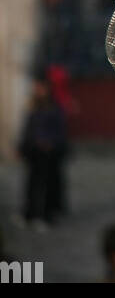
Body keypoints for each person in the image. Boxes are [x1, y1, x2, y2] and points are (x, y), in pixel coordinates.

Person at [16, 75, 69, 229]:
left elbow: (60, 131)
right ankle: (29, 214)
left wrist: (51, 143)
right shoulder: (33, 107)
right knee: (31, 184)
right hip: (34, 153)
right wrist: (23, 147)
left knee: (47, 185)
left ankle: (45, 215)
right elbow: (28, 129)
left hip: (49, 155)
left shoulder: (54, 108)